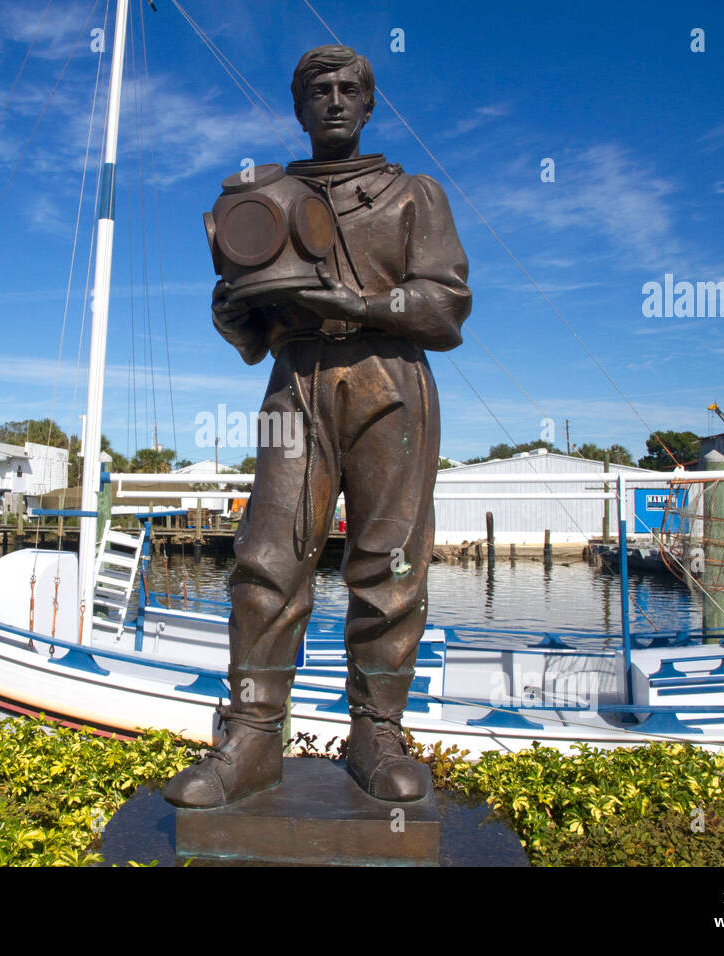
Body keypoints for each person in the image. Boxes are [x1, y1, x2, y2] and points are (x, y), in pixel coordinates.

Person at [164, 45, 471, 807]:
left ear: (369, 105)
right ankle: (252, 739)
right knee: (266, 553)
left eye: (348, 90)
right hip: (291, 385)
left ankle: (377, 733)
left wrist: (352, 306)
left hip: (391, 383)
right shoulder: (263, 200)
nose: (333, 102)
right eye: (317, 92)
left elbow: (444, 309)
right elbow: (253, 338)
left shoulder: (412, 195)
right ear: (298, 109)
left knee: (390, 564)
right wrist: (231, 314)